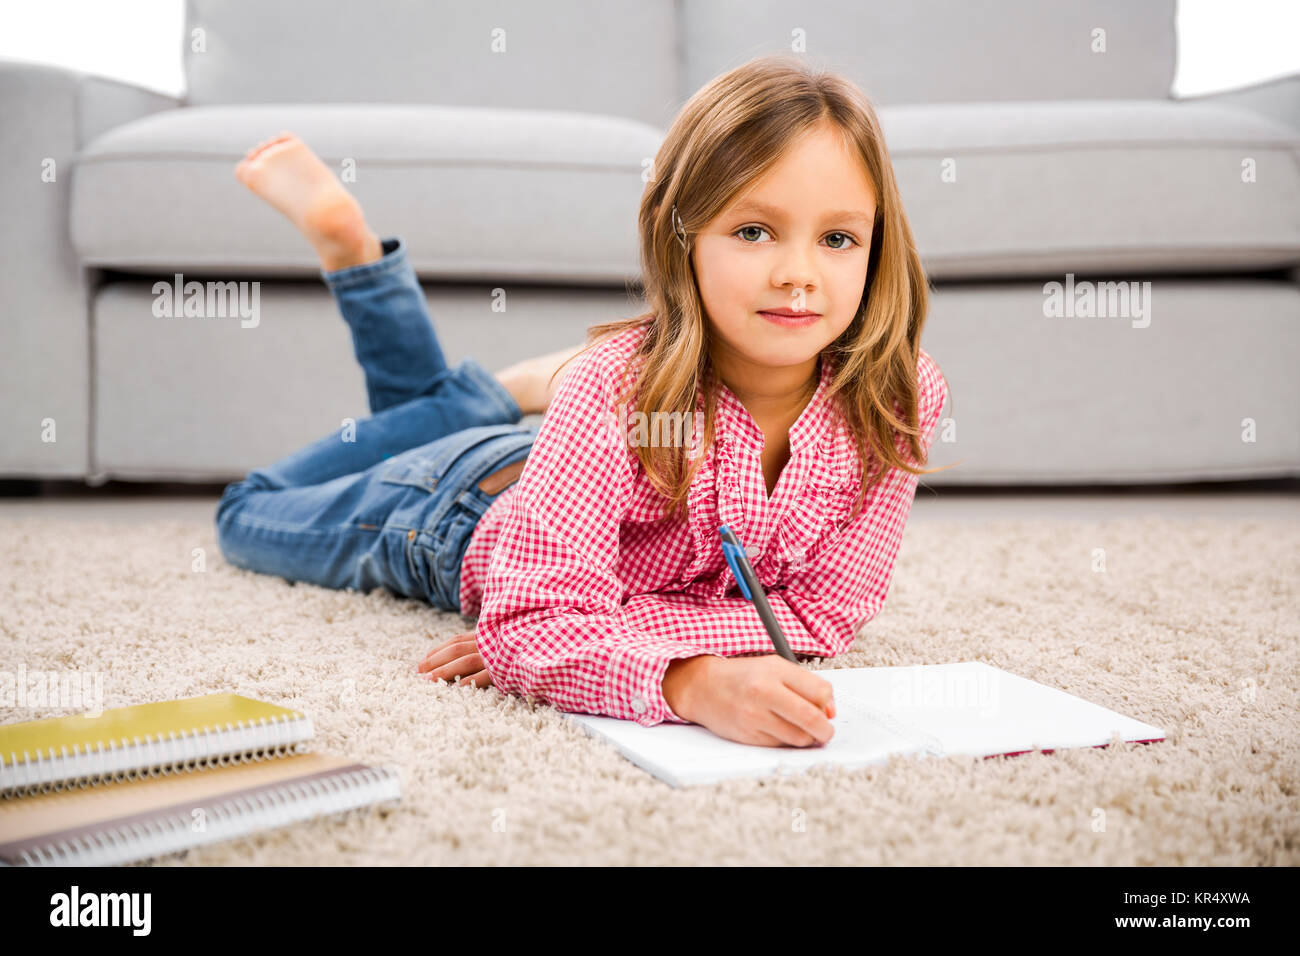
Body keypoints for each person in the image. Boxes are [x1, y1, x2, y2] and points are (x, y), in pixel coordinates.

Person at [216, 53, 953, 750]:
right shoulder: (613, 387)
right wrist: (687, 678)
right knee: (245, 512)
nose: (799, 274)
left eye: (838, 238)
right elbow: (533, 627)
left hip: (564, 472)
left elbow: (823, 615)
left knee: (407, 420)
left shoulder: (903, 393)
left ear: (878, 247)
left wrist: (591, 634)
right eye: (754, 231)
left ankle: (409, 313)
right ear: (681, 239)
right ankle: (475, 378)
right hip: (454, 511)